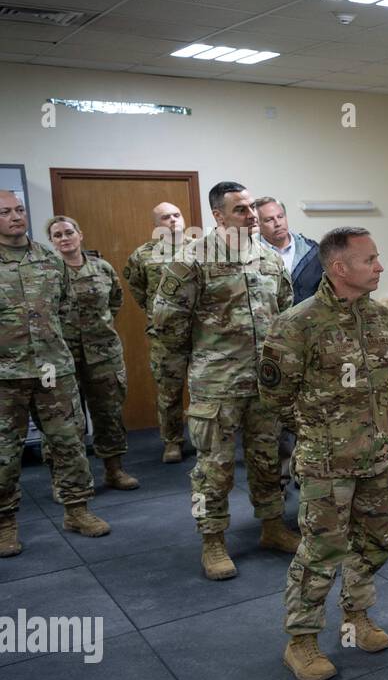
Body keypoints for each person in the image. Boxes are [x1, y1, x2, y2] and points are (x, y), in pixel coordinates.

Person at [259, 227, 388, 680]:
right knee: (322, 551)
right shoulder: (297, 324)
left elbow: (387, 382)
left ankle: (356, 616)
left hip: (378, 456)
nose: (380, 266)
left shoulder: (381, 320)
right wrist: (321, 431)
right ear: (339, 268)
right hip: (327, 462)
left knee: (376, 543)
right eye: (370, 260)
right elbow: (275, 394)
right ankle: (300, 640)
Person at [152, 181, 300, 580]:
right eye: (241, 210)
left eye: (252, 208)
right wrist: (193, 367)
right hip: (216, 384)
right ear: (218, 216)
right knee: (214, 468)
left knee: (268, 458)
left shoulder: (267, 259)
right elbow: (168, 323)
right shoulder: (192, 260)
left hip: (264, 383)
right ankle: (213, 540)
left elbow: (285, 315)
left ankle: (272, 526)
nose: (252, 216)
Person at [0, 190, 110, 555]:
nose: (15, 217)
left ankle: (77, 509)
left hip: (52, 369)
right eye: (5, 212)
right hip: (6, 375)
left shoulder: (48, 259)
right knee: (5, 452)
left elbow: (62, 304)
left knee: (69, 442)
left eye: (19, 210)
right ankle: (5, 522)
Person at [45, 216, 138, 492]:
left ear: (80, 234)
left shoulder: (102, 268)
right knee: (62, 419)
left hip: (103, 353)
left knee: (108, 413)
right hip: (61, 355)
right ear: (52, 241)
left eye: (68, 232)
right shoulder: (48, 272)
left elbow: (115, 302)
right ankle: (63, 479)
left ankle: (114, 470)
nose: (64, 238)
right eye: (57, 235)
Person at [124, 202, 191, 463]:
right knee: (169, 392)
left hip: (202, 334)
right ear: (156, 225)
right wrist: (157, 312)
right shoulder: (143, 254)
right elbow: (136, 286)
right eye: (165, 217)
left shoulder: (204, 249)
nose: (173, 220)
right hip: (165, 337)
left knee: (206, 391)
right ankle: (172, 441)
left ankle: (209, 437)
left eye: (176, 215)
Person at [253, 197, 322, 304]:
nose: (277, 223)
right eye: (269, 220)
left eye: (280, 217)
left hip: (306, 318)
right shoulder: (248, 254)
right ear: (258, 224)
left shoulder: (313, 251)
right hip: (268, 319)